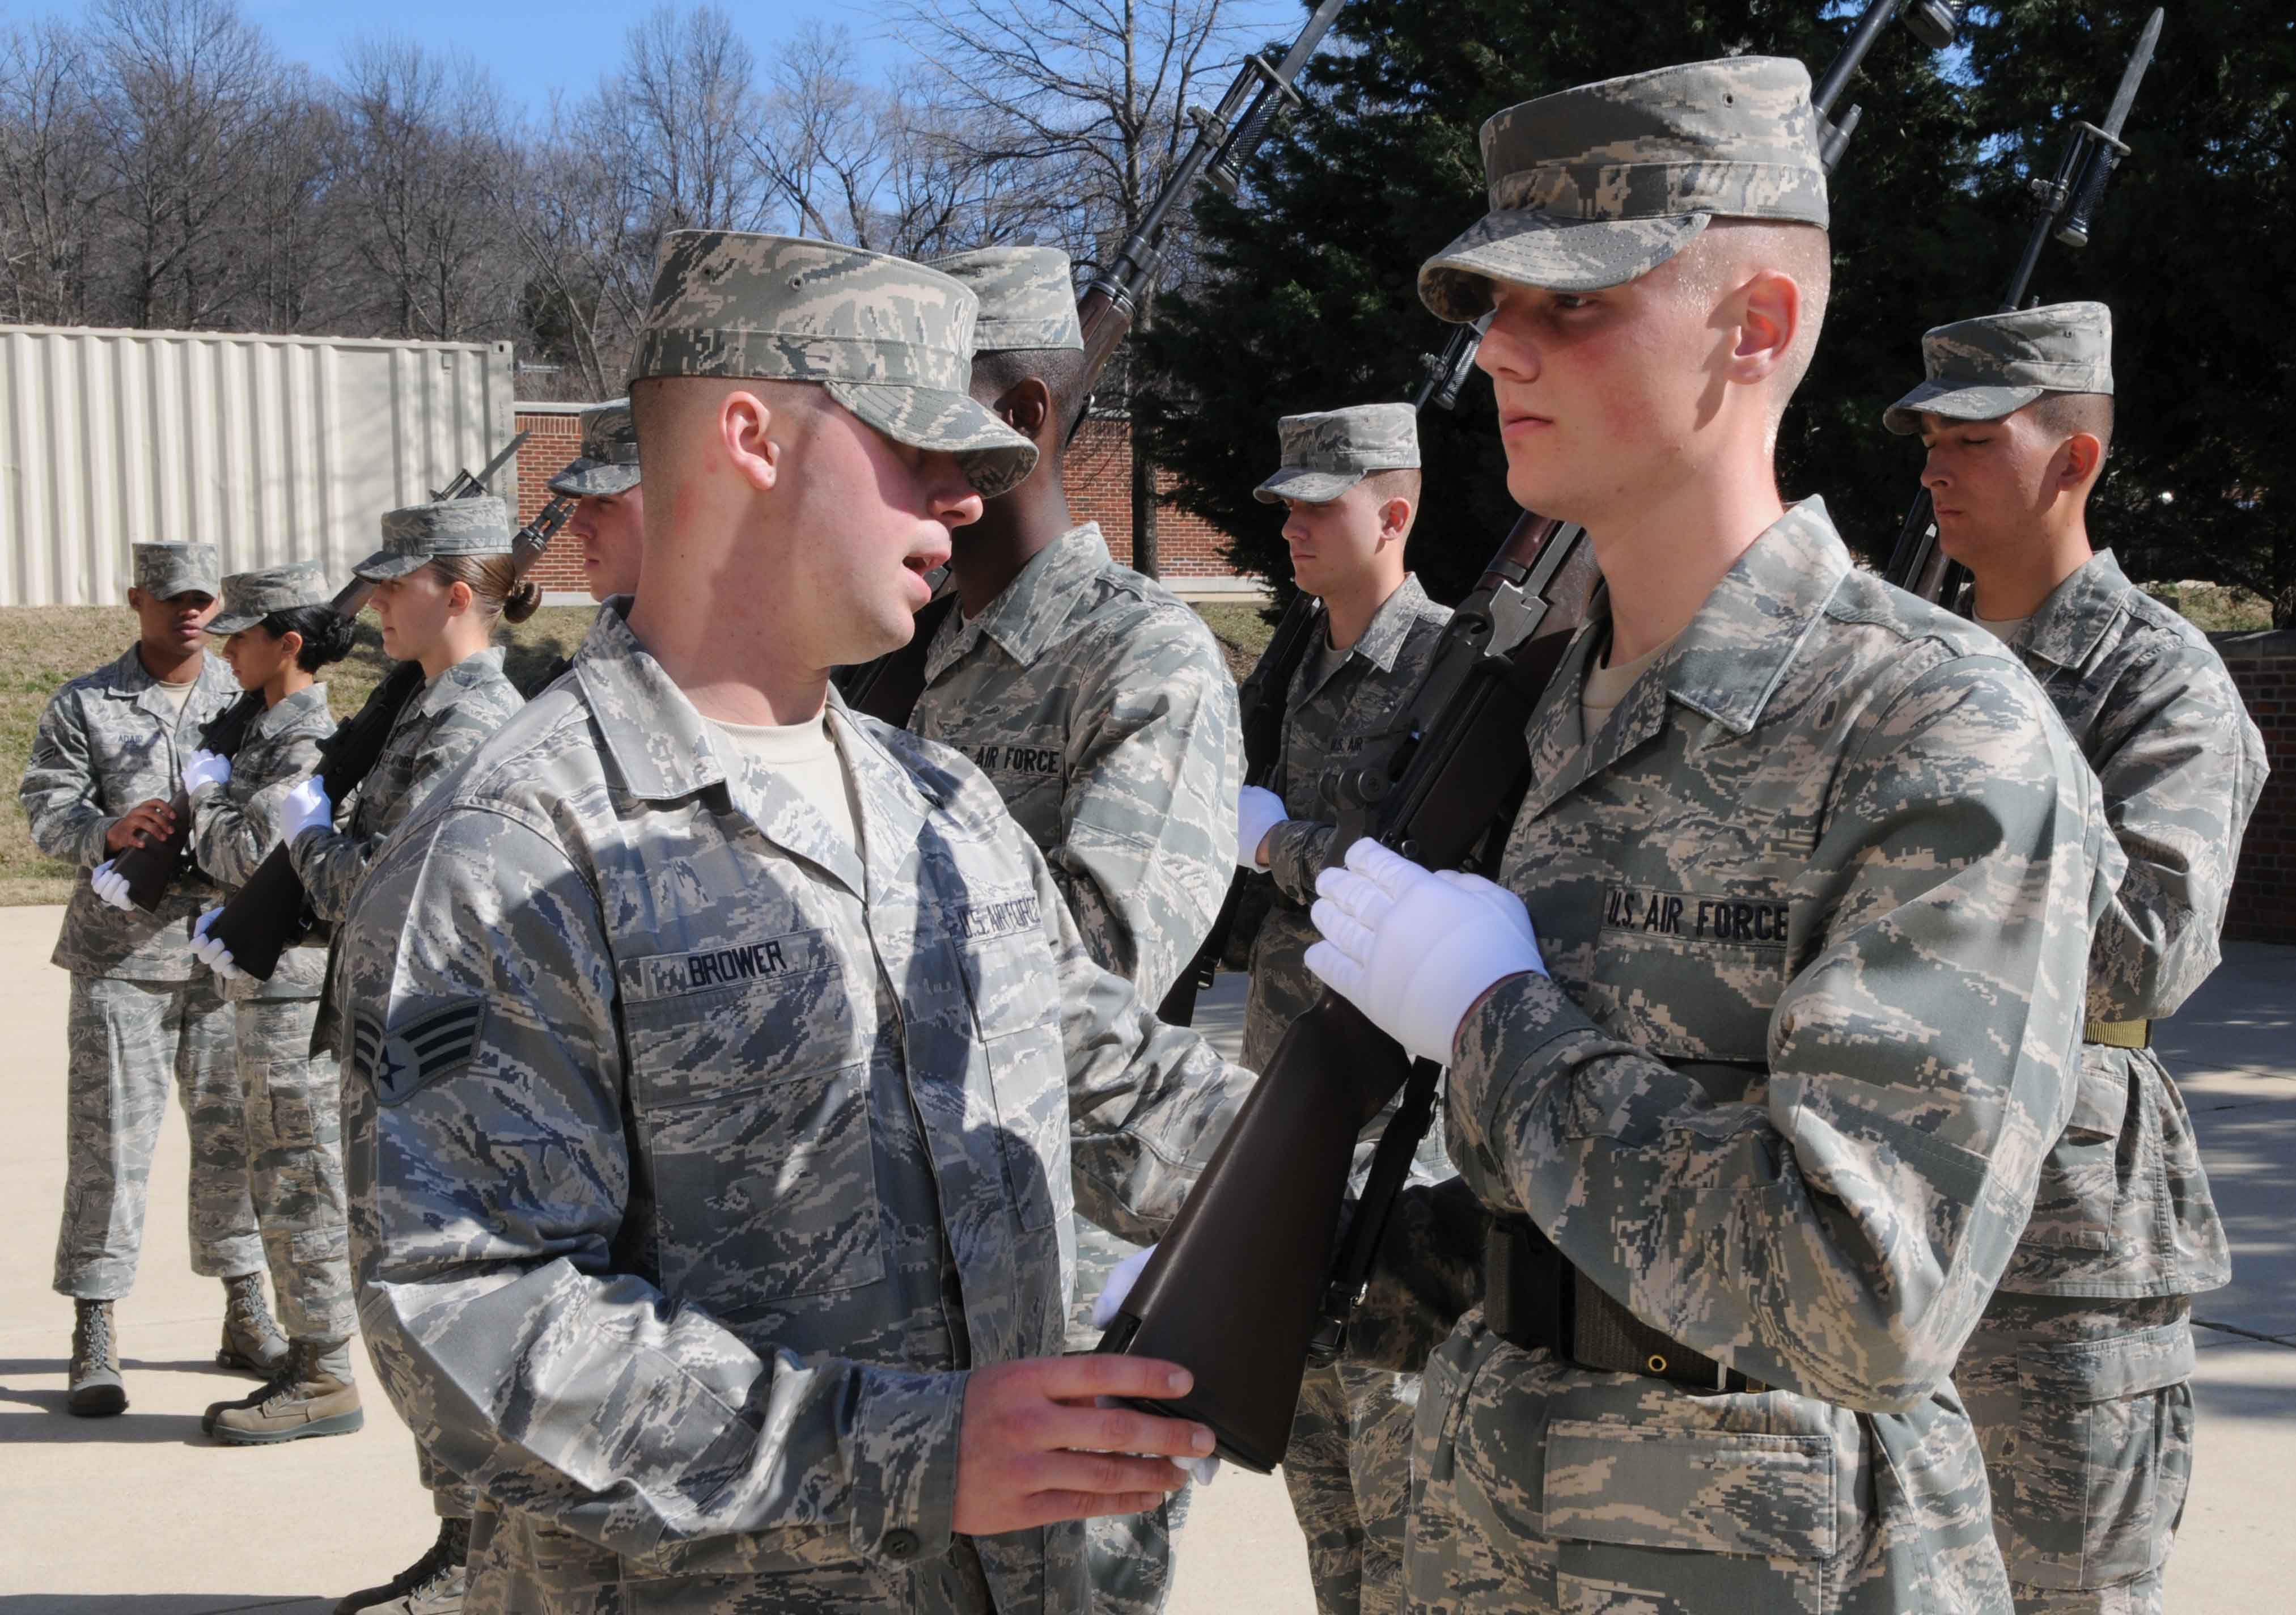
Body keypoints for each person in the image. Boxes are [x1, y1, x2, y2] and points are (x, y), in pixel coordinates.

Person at [325, 231, 1250, 1614]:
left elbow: (1110, 1085)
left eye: (978, 456)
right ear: (750, 434)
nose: (965, 492)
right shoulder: (519, 851)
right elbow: (465, 1314)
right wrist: (909, 1455)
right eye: (915, 451)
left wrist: (1405, 1204)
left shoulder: (944, 806)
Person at [1299, 58, 2118, 1613]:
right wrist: (1301, 1267)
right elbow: (1535, 1209)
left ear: (1754, 327)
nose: (1498, 353)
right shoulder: (1537, 714)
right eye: (1487, 307)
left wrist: (1489, 1021)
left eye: (1572, 304)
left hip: (1763, 1558)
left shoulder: (1931, 730)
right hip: (1485, 1518)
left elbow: (1861, 1293)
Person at [1885, 302, 2268, 1615]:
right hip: (1883, 1215)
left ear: (2074, 462)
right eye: (1928, 439)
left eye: (1973, 439)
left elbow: (2143, 959)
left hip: (2066, 1253)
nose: (1936, 466)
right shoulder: (1900, 663)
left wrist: (2000, 755)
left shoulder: (2159, 678)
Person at [909, 244, 1243, 1615]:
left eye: (928, 407)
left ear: (1030, 418)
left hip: (1071, 1261)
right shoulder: (918, 651)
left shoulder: (1144, 660)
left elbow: (1094, 967)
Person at [198, 502, 531, 1614]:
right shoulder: (420, 709)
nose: (377, 604)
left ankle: (478, 1553)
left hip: (441, 1048)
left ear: (456, 587)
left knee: (446, 1306)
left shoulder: (469, 720)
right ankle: (465, 1542)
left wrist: (304, 828)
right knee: (415, 1308)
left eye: (397, 583)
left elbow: (382, 889)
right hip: (401, 1041)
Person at [1235, 403, 1451, 1615]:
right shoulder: (1297, 662)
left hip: (1390, 1121)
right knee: (1311, 1446)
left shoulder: (1449, 673)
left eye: (1323, 502)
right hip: (1283, 1100)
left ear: (1396, 511)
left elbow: (1421, 868)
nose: (1295, 524)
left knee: (1395, 1449)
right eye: (1288, 503)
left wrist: (1281, 845)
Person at [21, 540, 279, 1417]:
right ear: (138, 599)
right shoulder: (87, 702)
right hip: (118, 961)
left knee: (234, 1144)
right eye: (171, 598)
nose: (189, 613)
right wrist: (106, 830)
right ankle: (96, 1329)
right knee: (108, 1150)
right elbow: (42, 806)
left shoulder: (245, 698)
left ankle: (247, 1308)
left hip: (221, 954)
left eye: (203, 598)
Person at [176, 561, 367, 1445]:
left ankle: (327, 1369)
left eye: (242, 635)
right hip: (258, 990)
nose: (227, 647)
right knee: (275, 1177)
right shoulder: (254, 726)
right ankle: (306, 1352)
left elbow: (243, 852)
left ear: (288, 645)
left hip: (292, 990)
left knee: (301, 1177)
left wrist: (203, 790)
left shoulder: (307, 740)